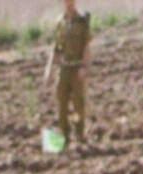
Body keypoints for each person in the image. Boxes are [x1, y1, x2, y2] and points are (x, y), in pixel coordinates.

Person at [44, 0, 92, 147]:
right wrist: (49, 70)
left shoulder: (82, 21)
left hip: (77, 67)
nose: (68, 3)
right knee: (61, 102)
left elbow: (86, 46)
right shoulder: (60, 22)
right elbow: (56, 48)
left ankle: (80, 135)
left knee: (79, 104)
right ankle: (64, 137)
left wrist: (84, 67)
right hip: (63, 68)